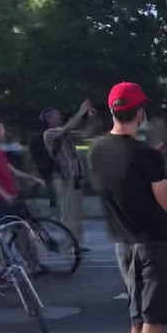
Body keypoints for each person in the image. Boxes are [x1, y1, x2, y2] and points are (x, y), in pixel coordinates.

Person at [88, 82, 167, 333]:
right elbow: (165, 204)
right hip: (154, 240)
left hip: (123, 240)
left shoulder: (97, 151)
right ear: (139, 113)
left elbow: (123, 181)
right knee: (155, 314)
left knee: (137, 312)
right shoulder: (146, 156)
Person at [0, 115, 47, 273]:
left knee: (22, 231)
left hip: (12, 195)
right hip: (0, 200)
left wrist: (31, 178)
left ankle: (33, 265)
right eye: (2, 127)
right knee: (1, 235)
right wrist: (4, 194)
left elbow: (11, 170)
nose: (4, 130)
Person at [41, 102, 94, 249]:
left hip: (75, 177)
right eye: (56, 115)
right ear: (49, 119)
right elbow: (68, 127)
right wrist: (81, 111)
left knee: (76, 213)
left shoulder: (65, 133)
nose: (60, 117)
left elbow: (86, 134)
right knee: (67, 213)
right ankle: (66, 244)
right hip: (63, 178)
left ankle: (76, 243)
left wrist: (90, 118)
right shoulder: (49, 134)